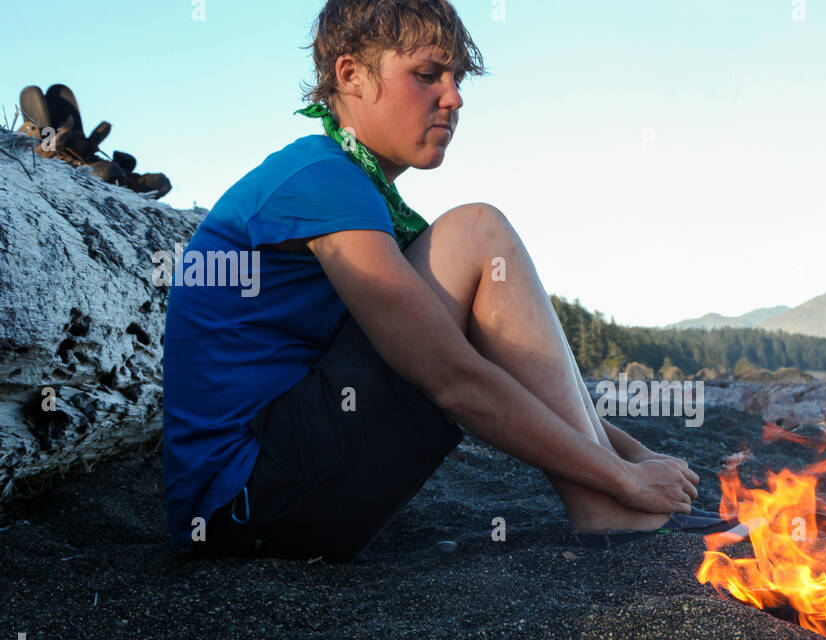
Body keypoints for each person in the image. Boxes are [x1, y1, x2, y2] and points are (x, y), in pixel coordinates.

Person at [162, 0, 728, 563]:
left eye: (457, 79)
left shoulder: (349, 188)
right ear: (351, 73)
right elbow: (452, 377)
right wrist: (623, 478)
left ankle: (610, 501)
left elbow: (499, 364)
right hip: (246, 506)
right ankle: (608, 508)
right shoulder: (319, 181)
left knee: (467, 248)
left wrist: (631, 455)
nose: (453, 97)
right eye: (427, 75)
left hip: (272, 499)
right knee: (475, 232)